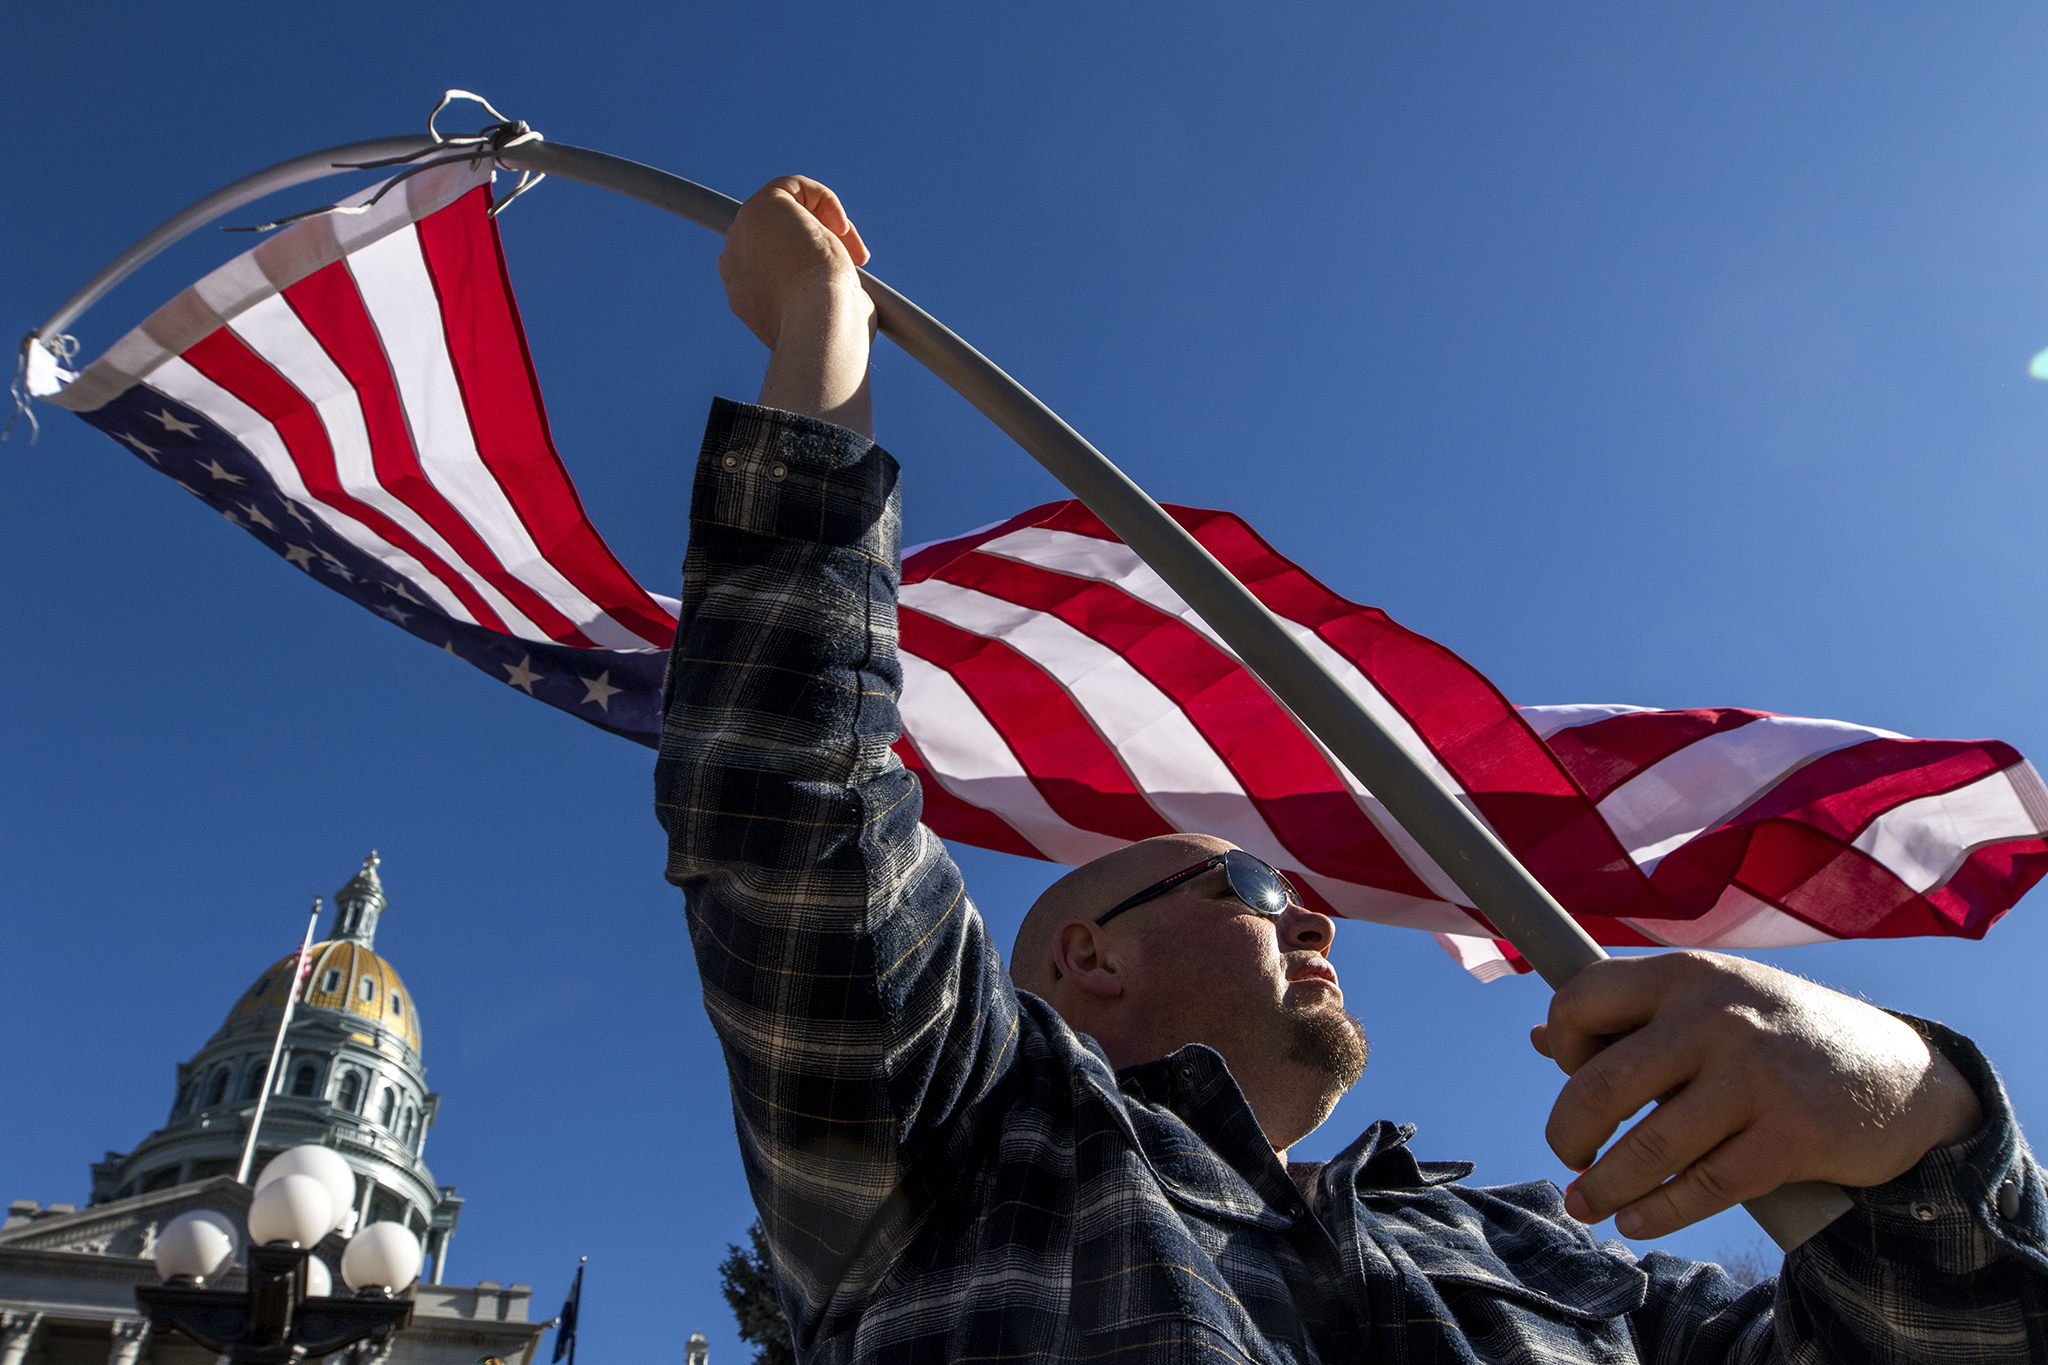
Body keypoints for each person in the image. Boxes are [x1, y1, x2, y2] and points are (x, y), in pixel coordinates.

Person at [656, 175, 2048, 1363]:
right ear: (1090, 958)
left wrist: (1909, 1104)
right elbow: (790, 802)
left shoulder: (1577, 1262)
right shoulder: (957, 1148)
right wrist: (819, 337)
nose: (1319, 908)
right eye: (1257, 878)